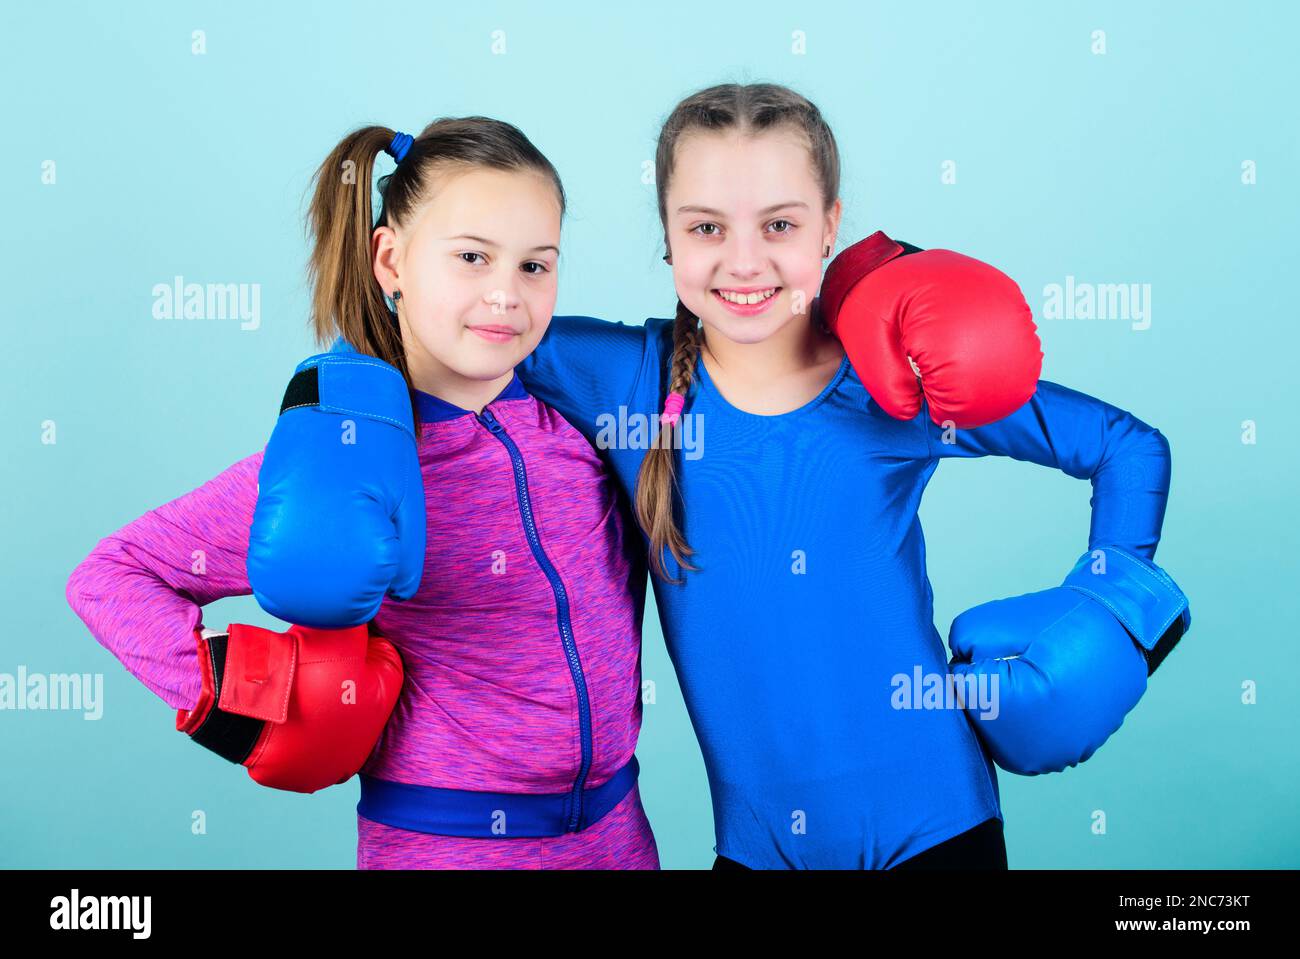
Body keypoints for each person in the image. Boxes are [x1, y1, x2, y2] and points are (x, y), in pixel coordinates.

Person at [253, 83, 1190, 869]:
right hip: (752, 854)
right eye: (706, 226)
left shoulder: (892, 383)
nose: (743, 262)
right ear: (666, 236)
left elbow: (1127, 445)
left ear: (829, 226)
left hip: (941, 832)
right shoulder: (617, 376)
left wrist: (1109, 614)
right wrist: (331, 403)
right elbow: (441, 331)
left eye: (779, 223)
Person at [66, 117, 660, 870]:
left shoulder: (575, 426)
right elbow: (109, 572)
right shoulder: (346, 460)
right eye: (472, 257)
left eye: (536, 266)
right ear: (391, 260)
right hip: (448, 845)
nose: (506, 295)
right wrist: (248, 699)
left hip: (618, 836)